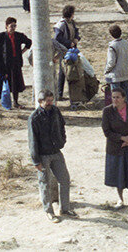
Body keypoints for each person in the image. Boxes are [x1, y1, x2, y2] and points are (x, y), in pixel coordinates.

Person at [28, 89, 76, 222]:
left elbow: (62, 125)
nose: (50, 103)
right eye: (47, 101)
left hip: (56, 152)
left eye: (51, 100)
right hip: (43, 155)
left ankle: (65, 209)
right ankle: (49, 211)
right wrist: (36, 161)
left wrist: (62, 140)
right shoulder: (34, 117)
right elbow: (32, 141)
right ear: (40, 101)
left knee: (65, 179)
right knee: (45, 183)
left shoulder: (55, 111)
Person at [102, 86, 128, 208]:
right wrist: (122, 138)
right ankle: (120, 199)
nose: (115, 100)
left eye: (118, 97)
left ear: (124, 98)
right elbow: (106, 131)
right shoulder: (107, 111)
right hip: (116, 147)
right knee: (118, 174)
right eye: (113, 97)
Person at [0, 17, 32, 107]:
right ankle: (2, 102)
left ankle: (15, 102)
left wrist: (21, 52)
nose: (13, 28)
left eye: (14, 26)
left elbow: (29, 42)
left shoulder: (19, 36)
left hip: (16, 63)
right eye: (11, 26)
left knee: (15, 83)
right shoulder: (1, 37)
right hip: (5, 64)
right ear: (6, 26)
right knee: (4, 83)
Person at [54, 6, 81, 100]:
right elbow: (58, 38)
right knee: (63, 72)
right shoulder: (61, 25)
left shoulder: (71, 22)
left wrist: (76, 39)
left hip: (72, 50)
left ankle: (73, 94)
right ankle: (59, 94)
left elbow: (76, 31)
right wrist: (69, 43)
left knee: (73, 71)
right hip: (64, 50)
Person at [104, 24, 128, 104]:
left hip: (116, 74)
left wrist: (106, 70)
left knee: (116, 94)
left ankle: (118, 110)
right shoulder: (126, 43)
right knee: (126, 92)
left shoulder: (112, 46)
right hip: (126, 72)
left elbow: (111, 62)